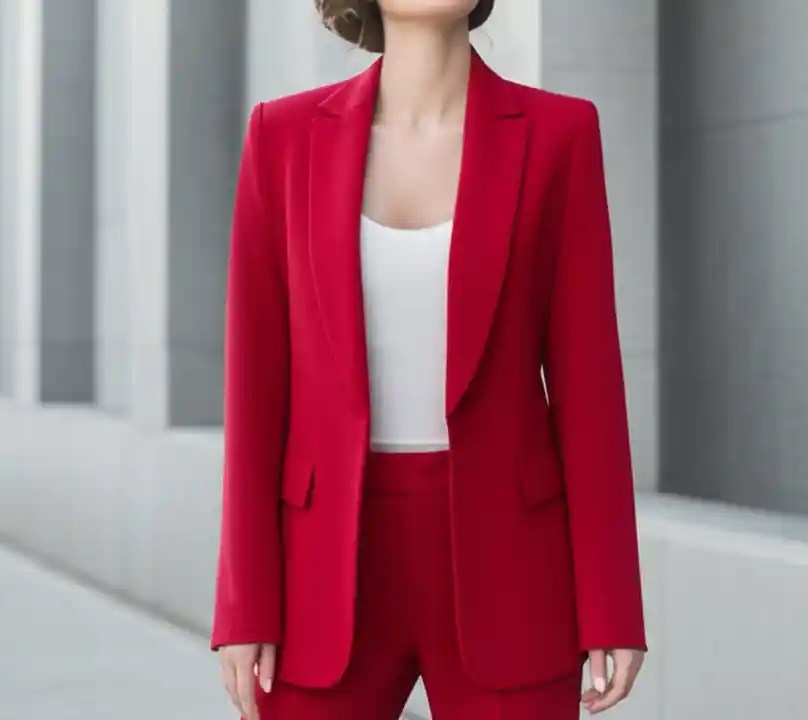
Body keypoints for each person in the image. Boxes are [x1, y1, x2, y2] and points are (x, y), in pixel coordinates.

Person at [211, 1, 647, 717]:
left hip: (511, 562)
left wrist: (611, 606)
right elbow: (255, 391)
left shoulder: (559, 135)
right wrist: (245, 603)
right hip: (323, 569)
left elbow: (589, 385)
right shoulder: (282, 138)